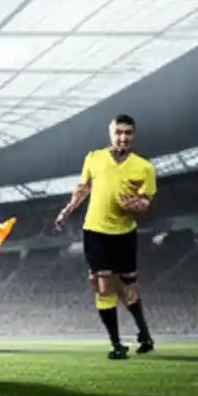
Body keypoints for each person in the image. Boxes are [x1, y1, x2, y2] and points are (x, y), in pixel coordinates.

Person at [54, 114, 157, 359]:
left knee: (127, 288)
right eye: (118, 132)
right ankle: (116, 344)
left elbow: (146, 202)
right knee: (103, 286)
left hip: (124, 234)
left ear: (133, 136)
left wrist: (135, 204)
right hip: (95, 231)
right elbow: (83, 189)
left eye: (128, 133)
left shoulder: (144, 167)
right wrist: (67, 209)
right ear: (111, 133)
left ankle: (144, 333)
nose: (123, 137)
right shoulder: (94, 158)